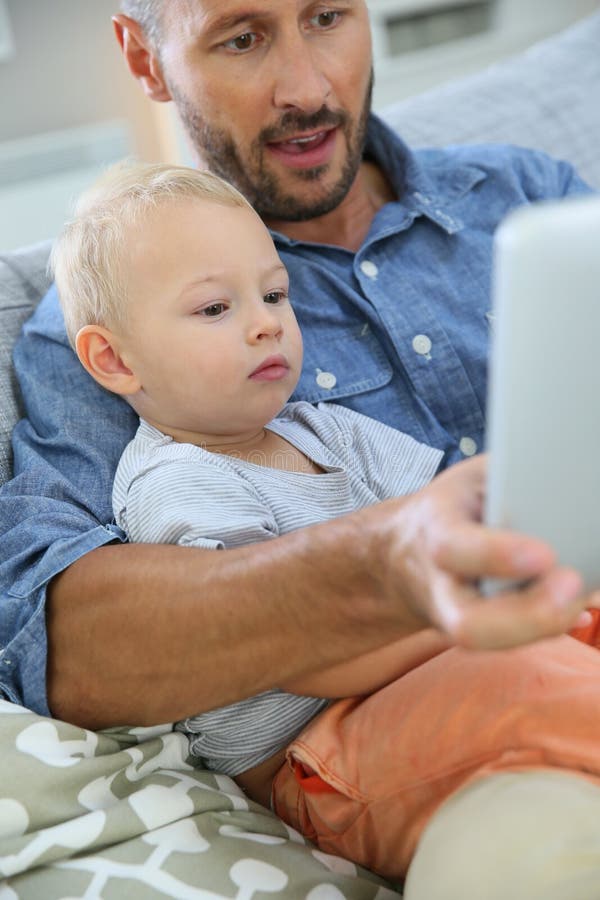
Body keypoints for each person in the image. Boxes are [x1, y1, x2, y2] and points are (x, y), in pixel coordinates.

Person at [2, 1, 600, 895]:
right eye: (241, 38)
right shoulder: (112, 331)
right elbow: (58, 635)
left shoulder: (525, 196)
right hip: (406, 736)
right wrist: (390, 574)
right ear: (147, 58)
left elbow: (439, 488)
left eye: (327, 16)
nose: (309, 88)